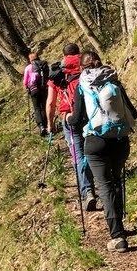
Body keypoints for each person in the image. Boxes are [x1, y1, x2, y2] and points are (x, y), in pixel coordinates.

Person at [65, 51, 137, 252]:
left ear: (82, 67)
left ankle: (117, 236)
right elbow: (132, 112)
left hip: (96, 142)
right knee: (115, 181)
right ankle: (120, 226)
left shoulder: (82, 84)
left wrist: (67, 119)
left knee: (105, 186)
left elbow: (77, 118)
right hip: (120, 140)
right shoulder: (113, 80)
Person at [46, 43, 99, 211]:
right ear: (79, 53)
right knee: (94, 149)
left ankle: (87, 191)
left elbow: (50, 103)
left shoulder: (58, 73)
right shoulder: (87, 64)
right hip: (91, 114)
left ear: (64, 55)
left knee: (78, 154)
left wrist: (50, 123)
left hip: (70, 117)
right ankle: (104, 182)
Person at [23, 51, 49, 136]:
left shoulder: (28, 68)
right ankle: (48, 124)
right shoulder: (43, 65)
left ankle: (41, 126)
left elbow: (25, 82)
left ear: (30, 60)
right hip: (44, 88)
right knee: (45, 105)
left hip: (34, 89)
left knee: (37, 107)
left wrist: (27, 87)